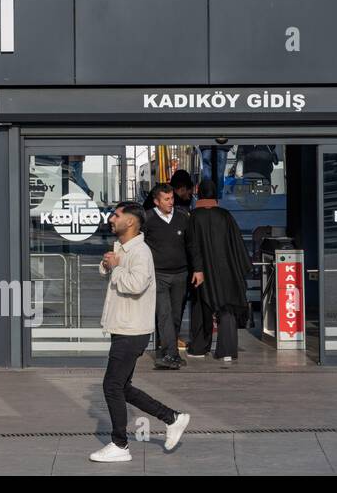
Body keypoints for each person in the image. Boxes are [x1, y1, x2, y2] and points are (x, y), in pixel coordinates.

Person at [90, 201, 190, 462]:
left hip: (132, 329)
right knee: (123, 387)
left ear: (131, 222)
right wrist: (109, 265)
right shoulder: (123, 248)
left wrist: (115, 267)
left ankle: (119, 445)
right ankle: (173, 418)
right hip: (123, 325)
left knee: (111, 385)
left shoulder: (141, 251)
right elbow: (113, 272)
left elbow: (135, 284)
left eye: (117, 215)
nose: (111, 219)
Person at [186, 179, 253, 363]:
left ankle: (199, 347)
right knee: (227, 308)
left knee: (201, 306)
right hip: (227, 269)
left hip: (202, 270)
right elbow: (237, 243)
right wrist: (242, 268)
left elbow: (192, 246)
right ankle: (227, 351)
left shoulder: (194, 216)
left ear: (199, 193)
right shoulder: (225, 216)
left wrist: (197, 268)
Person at [142, 182, 193, 370]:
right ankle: (171, 354)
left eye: (172, 198)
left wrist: (197, 269)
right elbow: (141, 244)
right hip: (159, 274)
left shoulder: (182, 217)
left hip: (180, 274)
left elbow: (191, 245)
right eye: (166, 199)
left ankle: (167, 351)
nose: (171, 202)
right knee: (164, 314)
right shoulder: (148, 219)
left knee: (176, 315)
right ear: (156, 202)